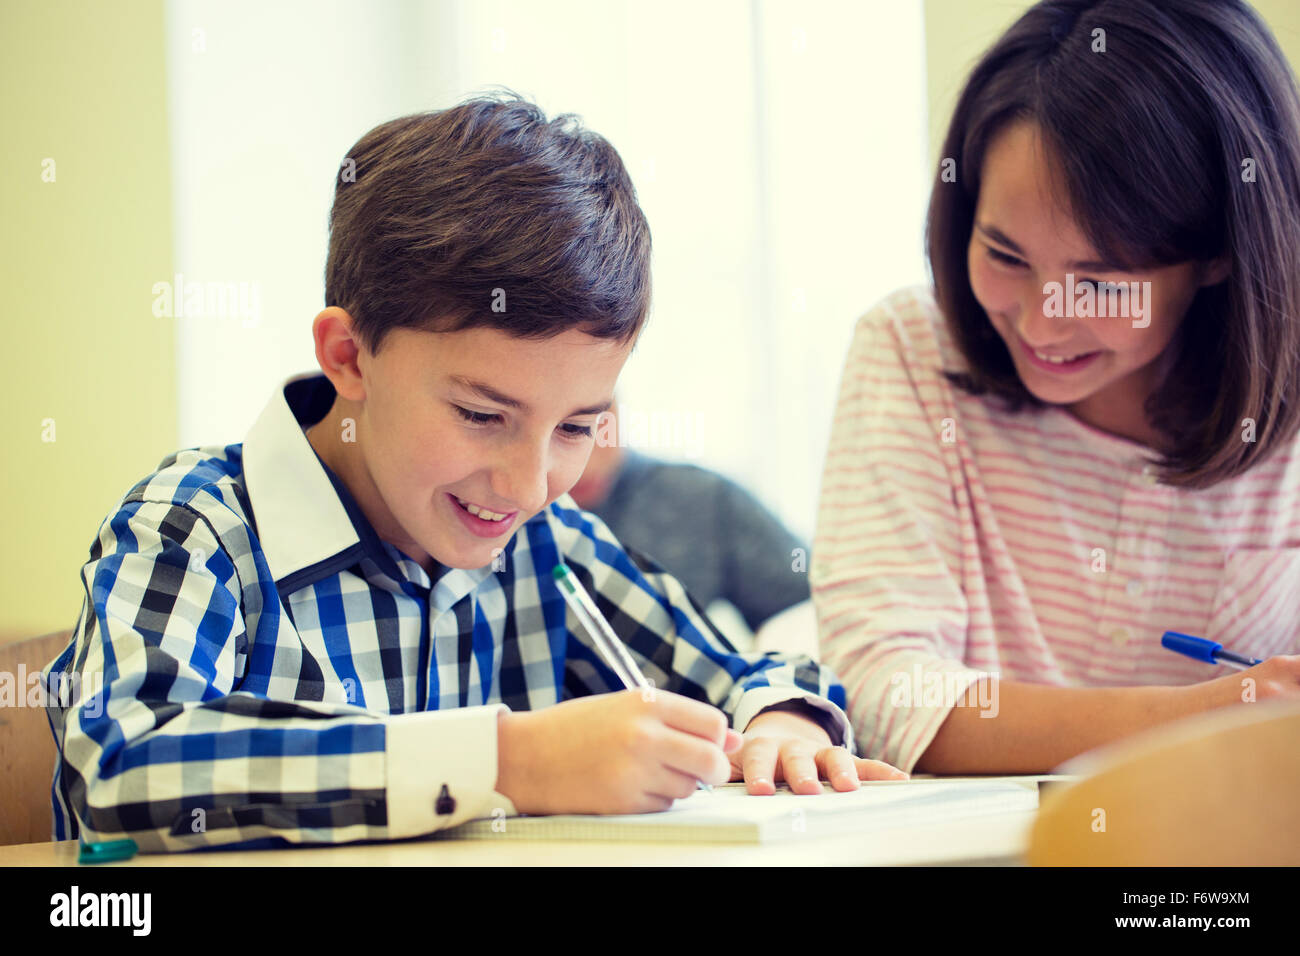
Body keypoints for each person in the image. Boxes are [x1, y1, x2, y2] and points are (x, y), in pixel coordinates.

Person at [44, 95, 904, 853]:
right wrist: (505, 760)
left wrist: (780, 720)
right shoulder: (198, 524)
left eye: (576, 426)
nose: (529, 486)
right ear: (350, 355)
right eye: (481, 415)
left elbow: (747, 674)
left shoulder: (538, 544)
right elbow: (120, 770)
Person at [814, 0, 1300, 775]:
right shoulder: (909, 350)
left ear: (1220, 256)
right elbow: (885, 689)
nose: (1041, 326)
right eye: (1005, 256)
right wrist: (1215, 713)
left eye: (1100, 282)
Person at [568, 402, 812, 641]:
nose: (588, 454)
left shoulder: (701, 497)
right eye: (568, 428)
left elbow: (810, 597)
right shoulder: (537, 519)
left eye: (596, 417)